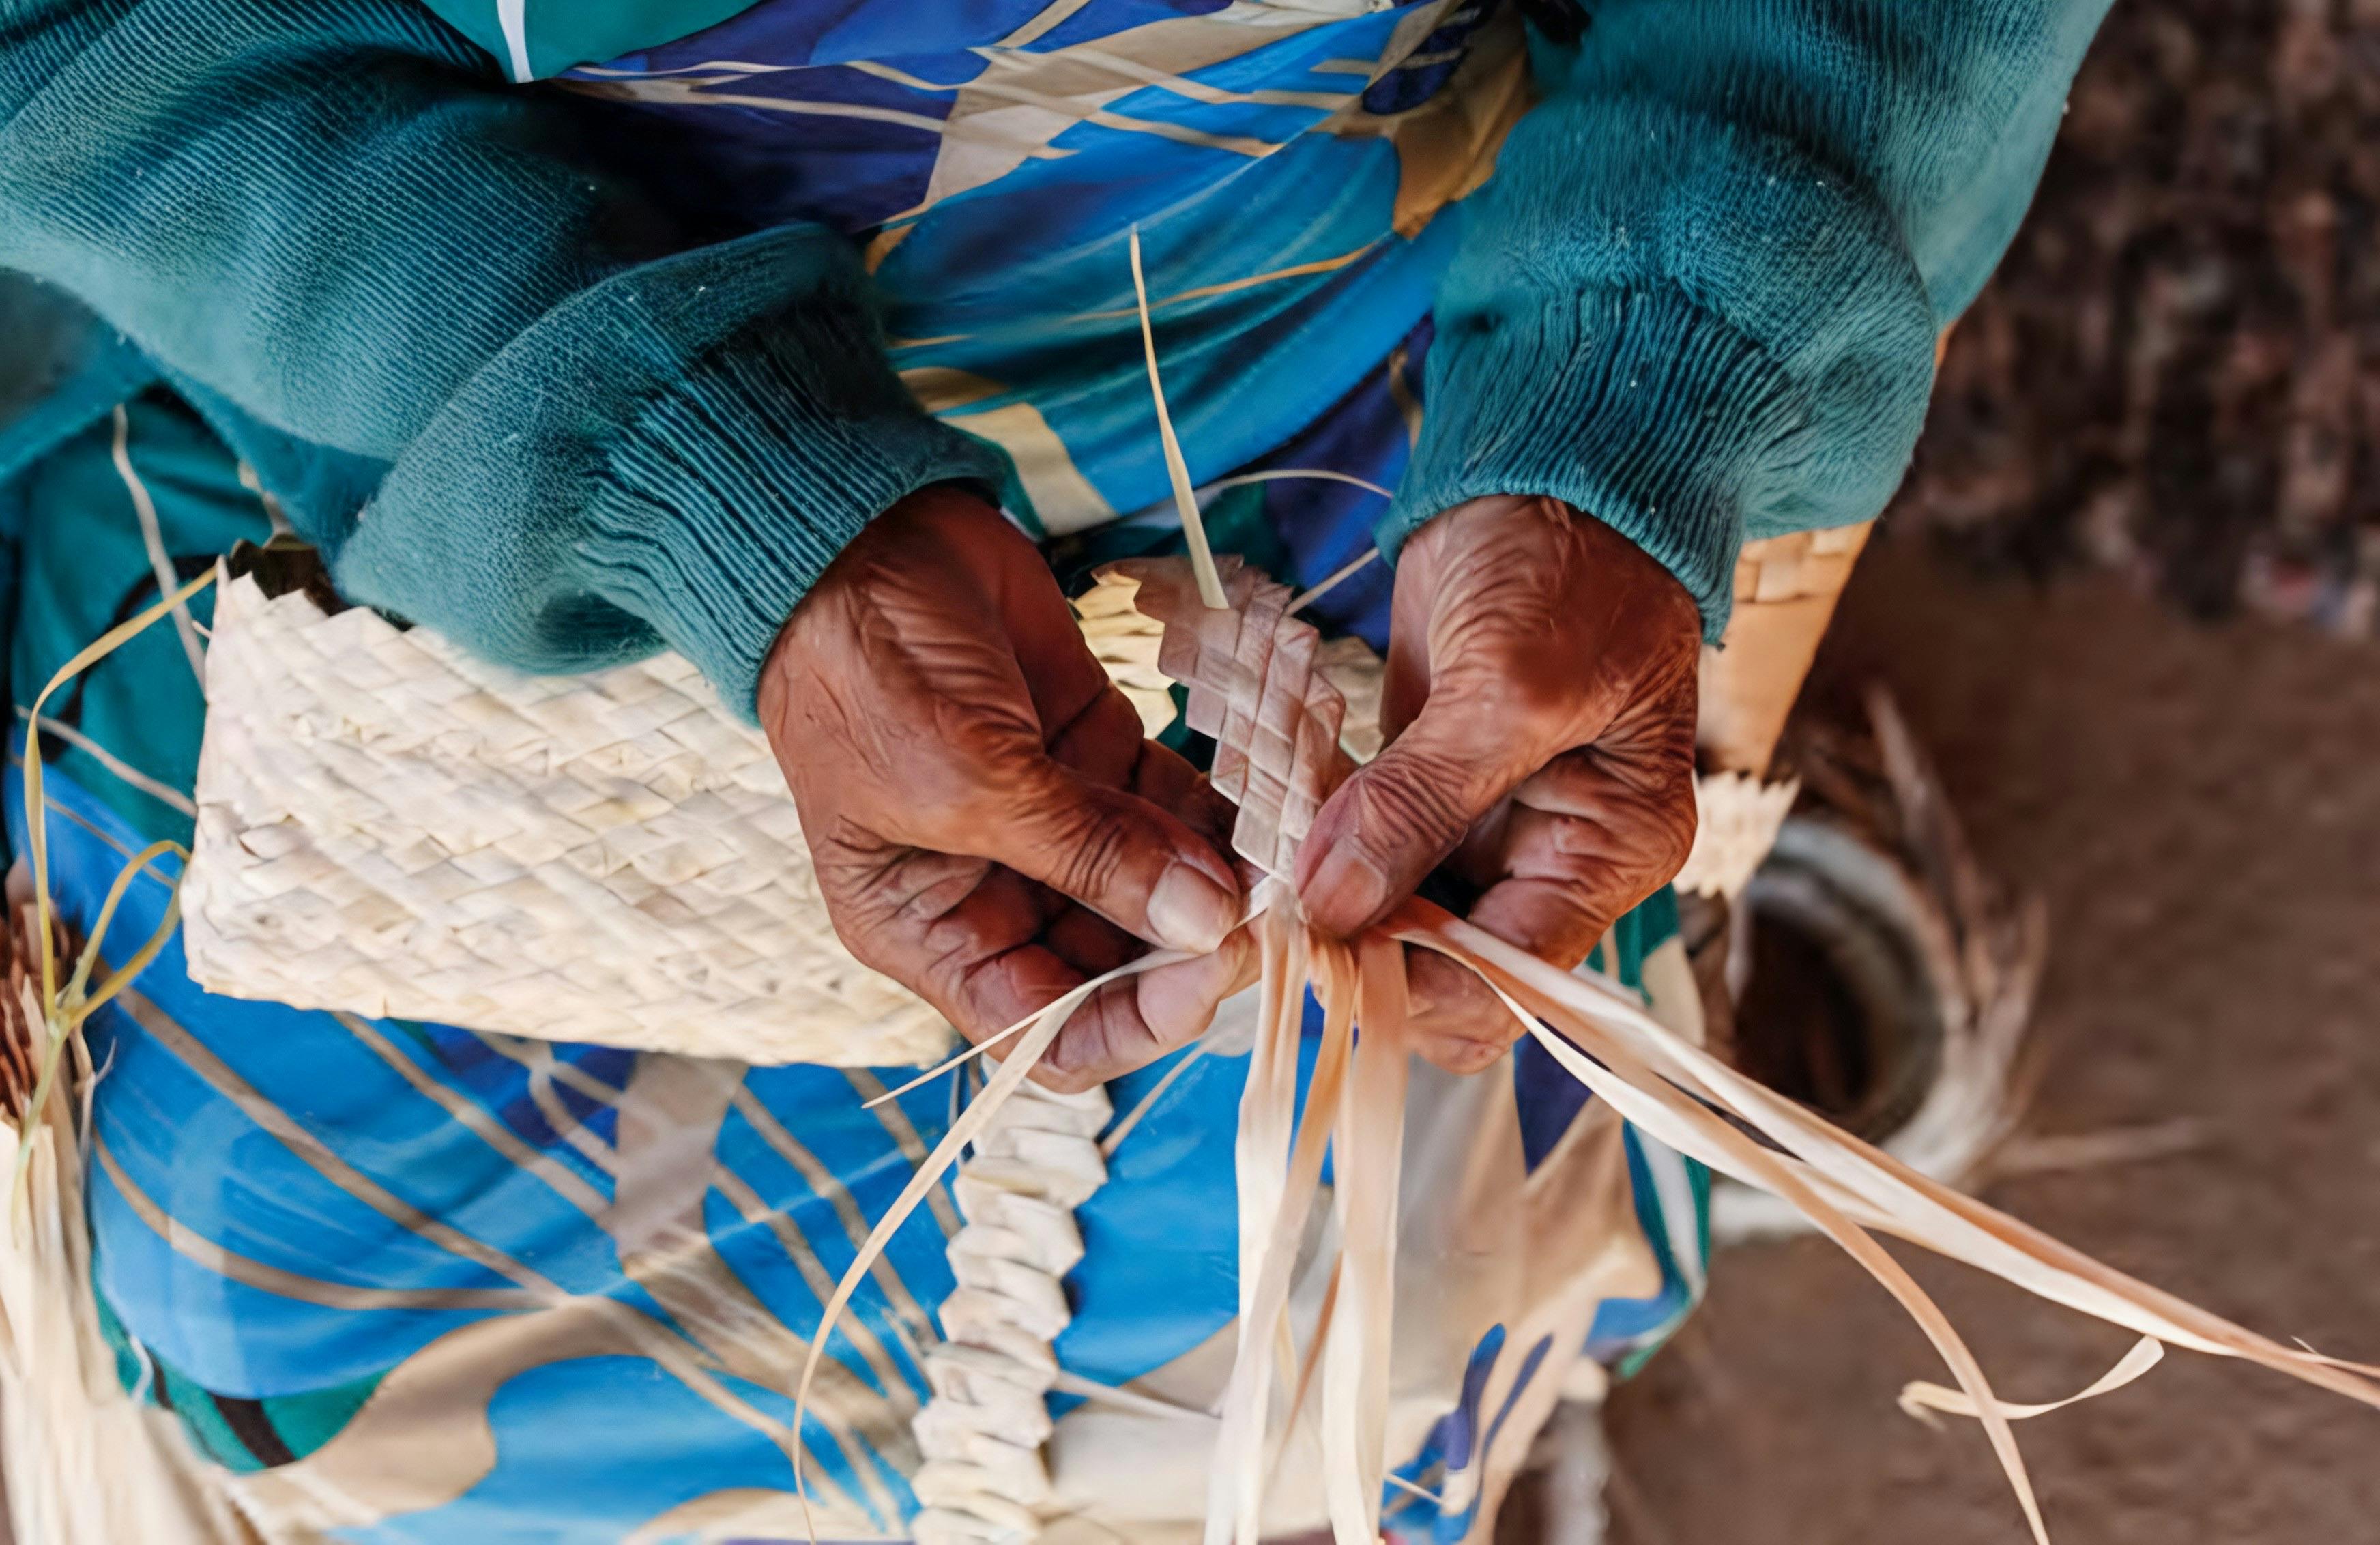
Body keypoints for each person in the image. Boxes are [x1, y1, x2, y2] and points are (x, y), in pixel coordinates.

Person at [0, 1, 2113, 1540]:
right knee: (276, 1324)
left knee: (1379, 1331)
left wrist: (1652, 378)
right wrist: (703, 486)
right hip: (408, 367)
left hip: (1348, 336)